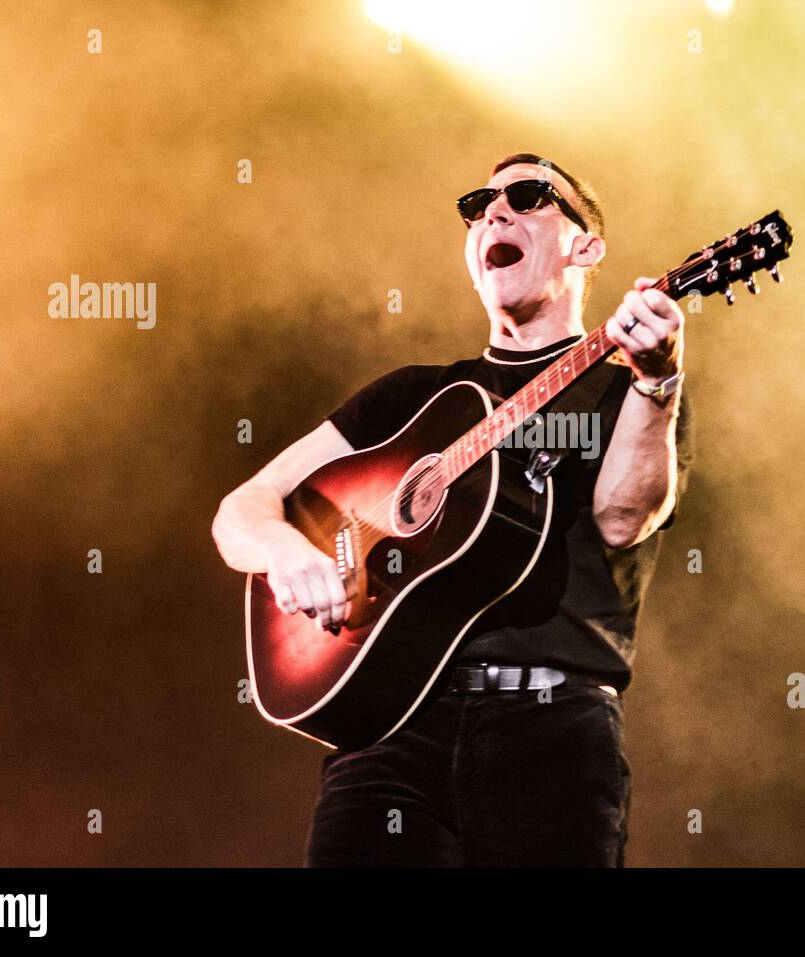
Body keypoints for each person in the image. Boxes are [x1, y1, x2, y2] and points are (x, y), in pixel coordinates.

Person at [211, 152, 694, 866]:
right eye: (479, 204)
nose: (495, 212)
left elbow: (625, 520)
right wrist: (287, 551)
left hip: (552, 738)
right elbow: (241, 509)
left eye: (528, 196)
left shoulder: (625, 390)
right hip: (390, 734)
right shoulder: (412, 397)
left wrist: (658, 379)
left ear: (586, 247)